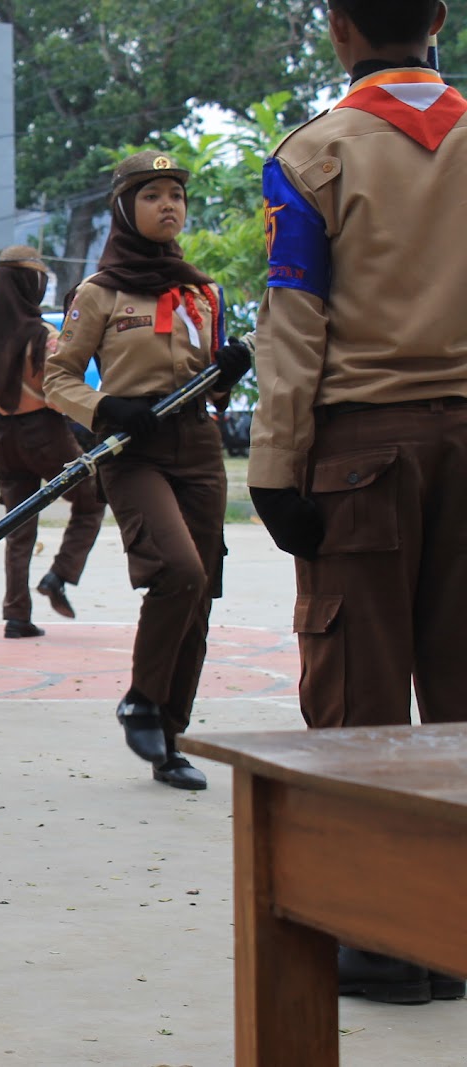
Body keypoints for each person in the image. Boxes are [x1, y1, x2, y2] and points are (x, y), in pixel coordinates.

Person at [247, 0, 467, 1003]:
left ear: (337, 27)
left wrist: (274, 465)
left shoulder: (314, 155)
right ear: (437, 18)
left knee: (359, 695)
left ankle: (378, 935)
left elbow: (296, 324)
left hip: (362, 451)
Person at [42, 152, 253, 790]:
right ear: (124, 208)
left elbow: (210, 384)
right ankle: (140, 700)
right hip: (132, 452)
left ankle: (170, 738)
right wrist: (106, 407)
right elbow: (57, 379)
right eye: (153, 194)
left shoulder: (202, 292)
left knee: (201, 591)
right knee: (179, 571)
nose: (169, 206)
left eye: (176, 196)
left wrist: (228, 373)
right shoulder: (98, 292)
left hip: (199, 448)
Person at [0, 245, 104, 639]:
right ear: (31, 285)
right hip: (44, 435)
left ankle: (16, 614)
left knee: (18, 527)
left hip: (1, 440)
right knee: (92, 499)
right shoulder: (42, 335)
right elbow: (58, 394)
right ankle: (60, 574)